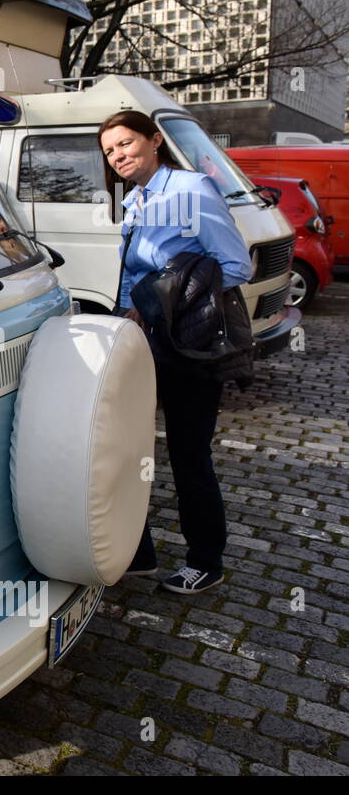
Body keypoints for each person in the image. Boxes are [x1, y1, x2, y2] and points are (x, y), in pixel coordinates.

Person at [98, 110, 252, 594]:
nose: (118, 155)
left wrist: (170, 304)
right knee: (127, 449)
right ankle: (136, 554)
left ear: (154, 140)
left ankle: (206, 560)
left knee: (189, 455)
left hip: (188, 345)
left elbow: (236, 266)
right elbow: (136, 278)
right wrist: (128, 314)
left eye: (125, 143)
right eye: (109, 151)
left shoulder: (190, 190)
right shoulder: (138, 199)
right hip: (142, 342)